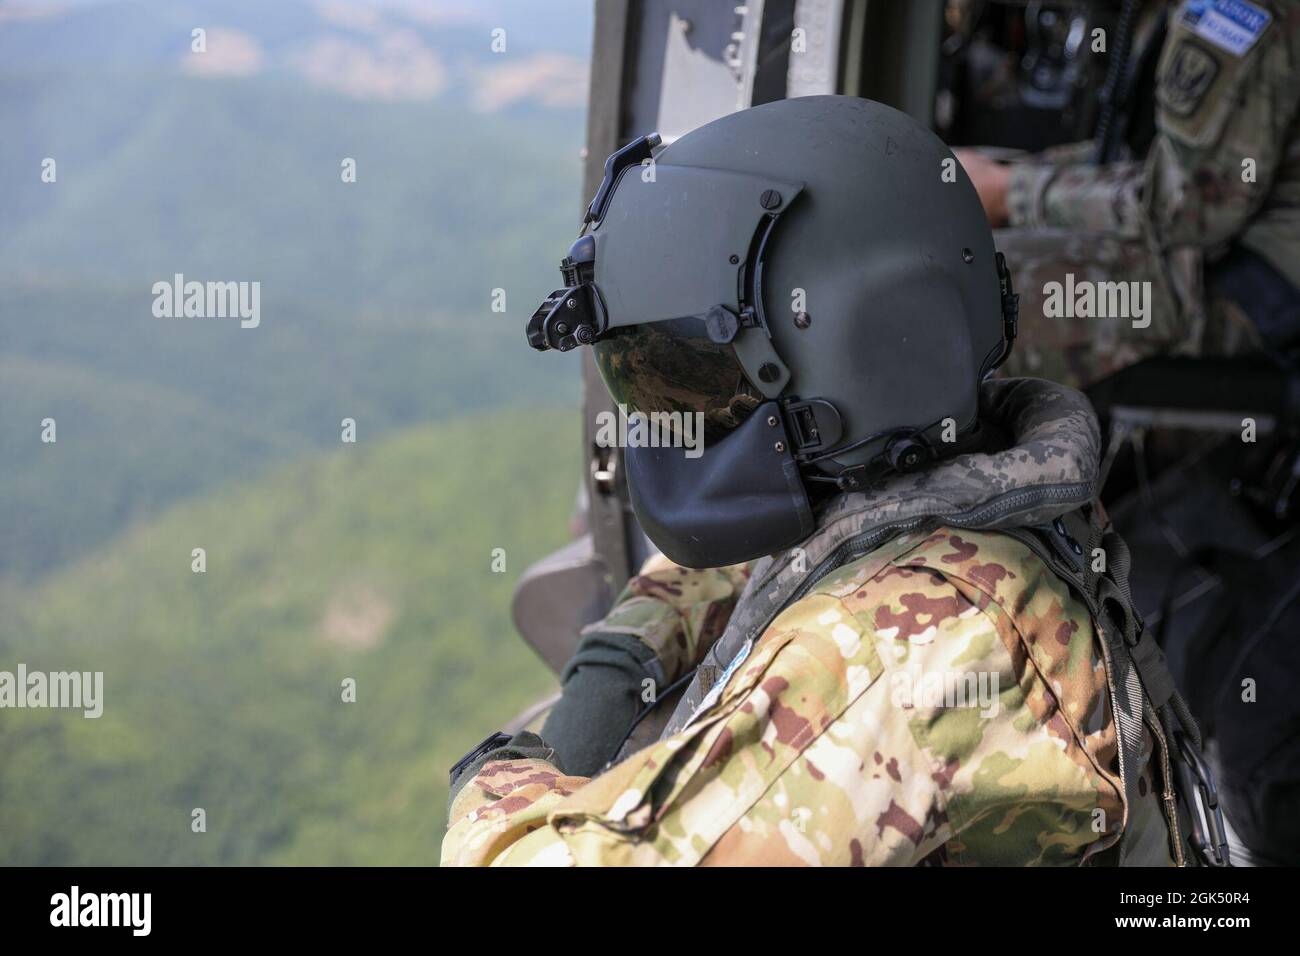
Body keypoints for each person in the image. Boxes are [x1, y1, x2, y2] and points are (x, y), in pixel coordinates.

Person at [442, 96, 1222, 867]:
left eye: (704, 390)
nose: (673, 431)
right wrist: (621, 656)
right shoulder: (983, 477)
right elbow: (795, 545)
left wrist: (496, 779)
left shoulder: (901, 653)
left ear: (858, 345)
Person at [954, 0, 1300, 389]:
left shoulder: (1236, 10)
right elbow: (1157, 161)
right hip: (1215, 255)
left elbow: (1190, 212)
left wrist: (1010, 193)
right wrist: (1008, 175)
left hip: (1247, 290)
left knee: (961, 295)